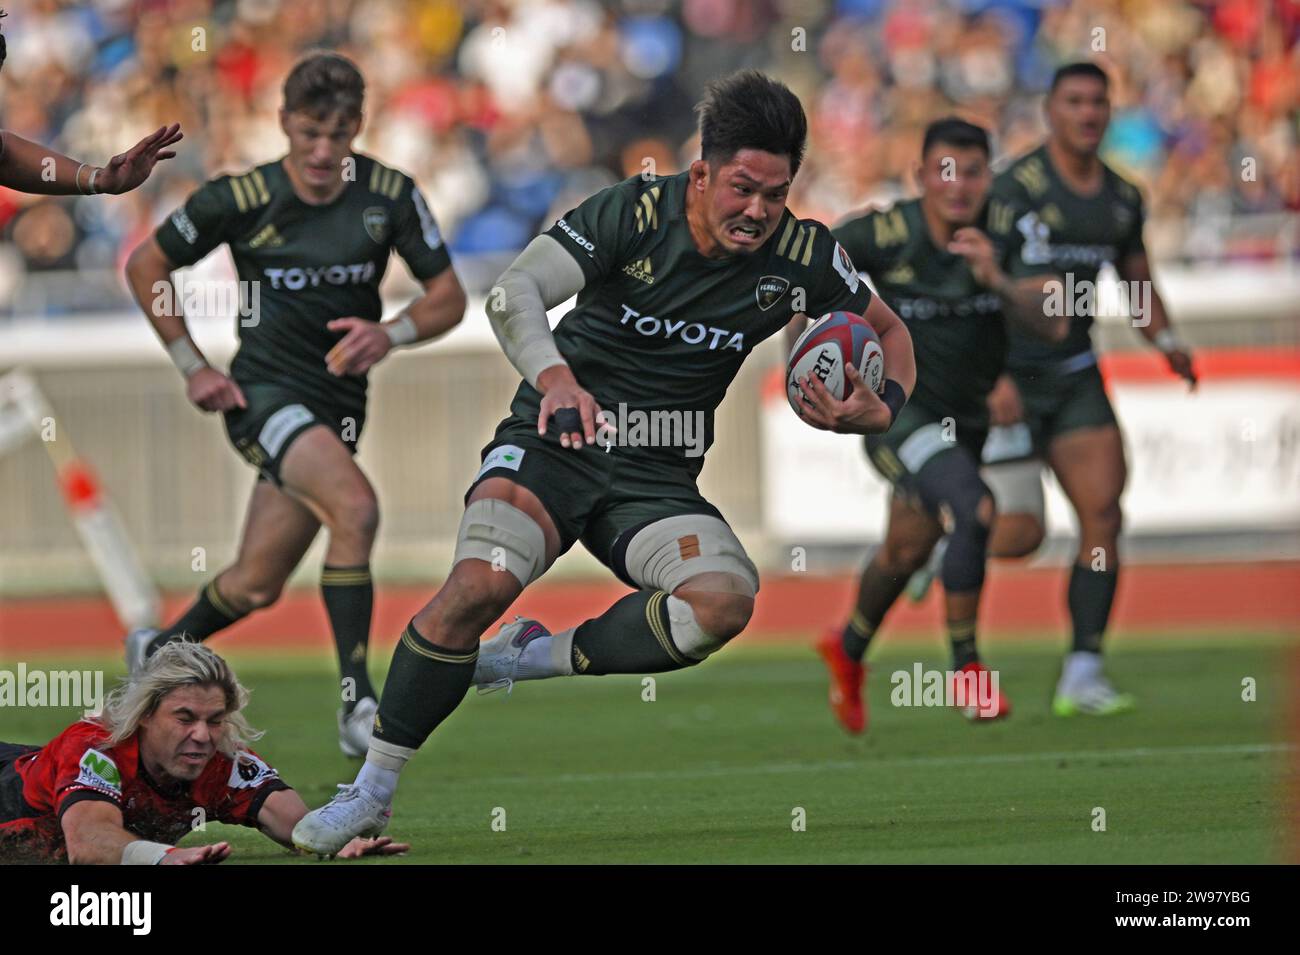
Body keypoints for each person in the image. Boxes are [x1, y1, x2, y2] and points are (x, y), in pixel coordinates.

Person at [291, 70, 916, 856]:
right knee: (475, 587)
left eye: (776, 193)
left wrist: (881, 407)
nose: (758, 210)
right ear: (702, 173)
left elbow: (891, 332)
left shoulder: (803, 254)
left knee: (723, 603)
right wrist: (555, 378)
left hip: (655, 480)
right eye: (741, 188)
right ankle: (370, 793)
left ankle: (530, 656)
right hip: (558, 441)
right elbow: (513, 295)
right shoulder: (635, 211)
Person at [123, 52, 467, 756]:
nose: (321, 151)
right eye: (309, 132)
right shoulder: (241, 197)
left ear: (357, 130)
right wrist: (193, 365)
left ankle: (157, 648)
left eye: (337, 135)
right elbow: (144, 264)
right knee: (358, 508)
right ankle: (356, 701)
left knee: (254, 584)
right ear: (282, 122)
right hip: (264, 396)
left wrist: (389, 332)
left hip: (339, 408)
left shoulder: (388, 195)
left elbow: (448, 297)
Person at [814, 118, 1065, 733]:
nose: (958, 186)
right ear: (921, 176)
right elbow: (808, 266)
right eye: (945, 171)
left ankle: (847, 650)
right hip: (895, 414)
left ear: (989, 178)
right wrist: (809, 357)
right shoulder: (886, 229)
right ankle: (968, 669)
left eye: (973, 172)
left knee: (906, 550)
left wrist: (997, 282)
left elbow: (1057, 319)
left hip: (969, 420)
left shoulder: (1008, 230)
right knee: (975, 508)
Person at [983, 62, 1197, 716]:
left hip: (1075, 376)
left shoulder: (1123, 197)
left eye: (1098, 102)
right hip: (1008, 379)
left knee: (1104, 514)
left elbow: (1135, 281)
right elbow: (972, 284)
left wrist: (1166, 342)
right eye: (1074, 101)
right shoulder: (1012, 189)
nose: (1087, 113)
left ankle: (1083, 667)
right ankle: (946, 543)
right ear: (1050, 110)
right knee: (1015, 534)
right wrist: (987, 377)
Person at [0, 642, 408, 863]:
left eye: (215, 720)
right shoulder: (96, 748)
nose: (202, 735)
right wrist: (167, 857)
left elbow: (295, 821)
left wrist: (330, 840)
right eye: (184, 717)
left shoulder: (224, 763)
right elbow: (88, 846)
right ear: (145, 716)